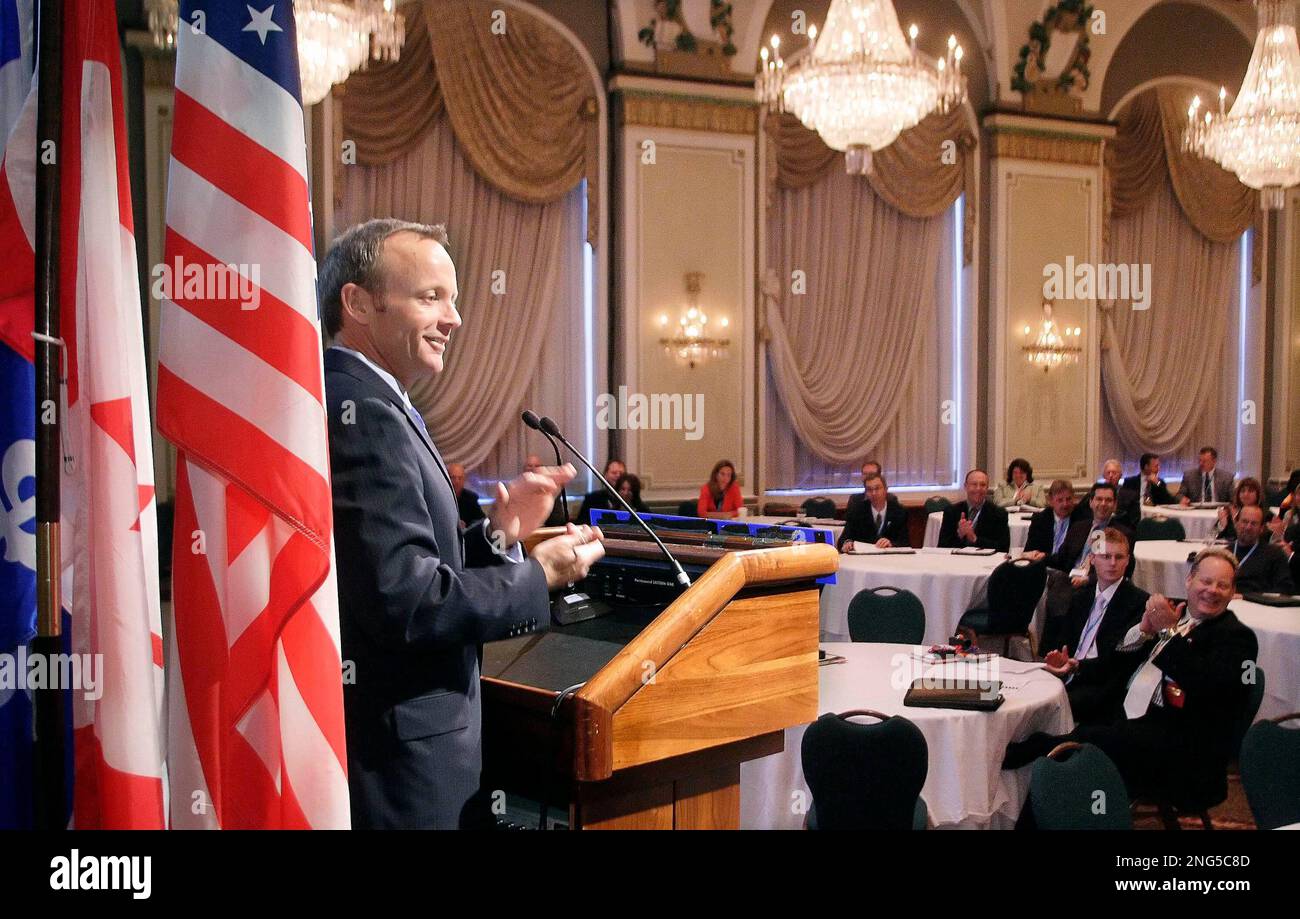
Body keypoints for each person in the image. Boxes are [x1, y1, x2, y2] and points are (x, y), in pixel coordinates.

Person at [320, 219, 605, 829]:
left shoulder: (371, 397)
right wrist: (539, 574)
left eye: (455, 299)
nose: (455, 319)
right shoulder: (363, 410)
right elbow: (410, 602)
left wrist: (500, 532)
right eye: (431, 297)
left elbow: (410, 567)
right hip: (400, 751)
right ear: (358, 303)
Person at [1004, 548, 1259, 811]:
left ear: (1232, 592)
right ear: (1189, 581)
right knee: (1049, 729)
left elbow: (1203, 688)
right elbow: (1118, 665)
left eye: (1222, 585)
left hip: (1180, 752)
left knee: (1052, 752)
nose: (1212, 590)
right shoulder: (1179, 617)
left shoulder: (1236, 638)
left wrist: (1168, 634)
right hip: (1129, 721)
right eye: (1206, 581)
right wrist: (1141, 633)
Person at [1038, 529, 1149, 725]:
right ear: (1092, 559)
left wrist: (1078, 667)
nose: (1112, 563)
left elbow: (1118, 661)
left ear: (1127, 561)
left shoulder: (1138, 603)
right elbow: (1065, 639)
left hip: (1101, 684)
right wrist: (1060, 660)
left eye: (1119, 557)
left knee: (1047, 709)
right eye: (1105, 556)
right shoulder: (1081, 597)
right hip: (1068, 672)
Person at [1042, 483, 1135, 651]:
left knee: (1065, 594)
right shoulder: (1079, 527)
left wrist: (1088, 579)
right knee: (1053, 584)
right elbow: (1061, 559)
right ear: (1091, 502)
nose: (1103, 504)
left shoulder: (1122, 533)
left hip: (1097, 584)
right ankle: (1050, 651)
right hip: (1069, 578)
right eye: (1099, 499)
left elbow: (1125, 570)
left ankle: (1061, 649)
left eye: (1108, 500)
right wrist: (1039, 557)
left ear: (1114, 505)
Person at [936, 469, 1010, 552]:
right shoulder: (952, 512)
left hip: (986, 562)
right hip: (957, 561)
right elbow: (942, 547)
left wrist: (974, 539)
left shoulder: (998, 513)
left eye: (982, 485)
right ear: (965, 486)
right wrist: (959, 536)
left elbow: (1003, 548)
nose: (978, 488)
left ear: (987, 488)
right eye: (974, 484)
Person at [1228, 504, 1295, 595]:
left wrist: (1248, 596)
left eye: (1254, 523)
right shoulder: (1225, 553)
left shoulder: (1274, 555)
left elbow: (1285, 588)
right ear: (1236, 523)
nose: (1248, 527)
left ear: (1261, 528)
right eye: (1244, 521)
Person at [838, 473, 909, 550]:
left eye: (877, 488)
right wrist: (847, 543)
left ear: (886, 490)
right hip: (864, 559)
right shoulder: (857, 511)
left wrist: (891, 544)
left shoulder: (899, 511)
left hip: (890, 558)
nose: (874, 493)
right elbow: (842, 540)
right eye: (869, 490)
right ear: (865, 493)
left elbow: (905, 542)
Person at [1072, 459, 1138, 527]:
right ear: (1103, 475)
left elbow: (1133, 522)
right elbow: (1080, 515)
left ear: (1120, 476)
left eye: (1114, 473)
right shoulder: (1091, 495)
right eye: (1108, 472)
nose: (1111, 476)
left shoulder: (1130, 496)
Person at [1022, 479, 1076, 559]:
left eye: (1068, 499)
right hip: (1043, 567)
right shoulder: (1040, 519)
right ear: (1051, 501)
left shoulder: (1080, 519)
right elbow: (1030, 550)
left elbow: (1072, 555)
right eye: (1060, 500)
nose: (1065, 504)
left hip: (1068, 568)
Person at [1214, 476, 1271, 541]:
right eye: (1243, 491)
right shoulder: (1229, 512)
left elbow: (1261, 538)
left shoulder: (1266, 514)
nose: (1246, 494)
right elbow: (1216, 536)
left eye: (1250, 491)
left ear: (1257, 494)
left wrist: (1235, 521)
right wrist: (1222, 526)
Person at [526, 453, 570, 526]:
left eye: (537, 466)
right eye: (529, 466)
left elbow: (557, 519)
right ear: (524, 469)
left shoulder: (551, 488)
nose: (533, 468)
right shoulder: (517, 491)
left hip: (546, 529)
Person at [447, 462, 486, 527]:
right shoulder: (440, 497)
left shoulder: (471, 498)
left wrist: (467, 525)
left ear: (464, 480)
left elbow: (481, 520)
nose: (457, 481)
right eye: (453, 477)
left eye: (460, 478)